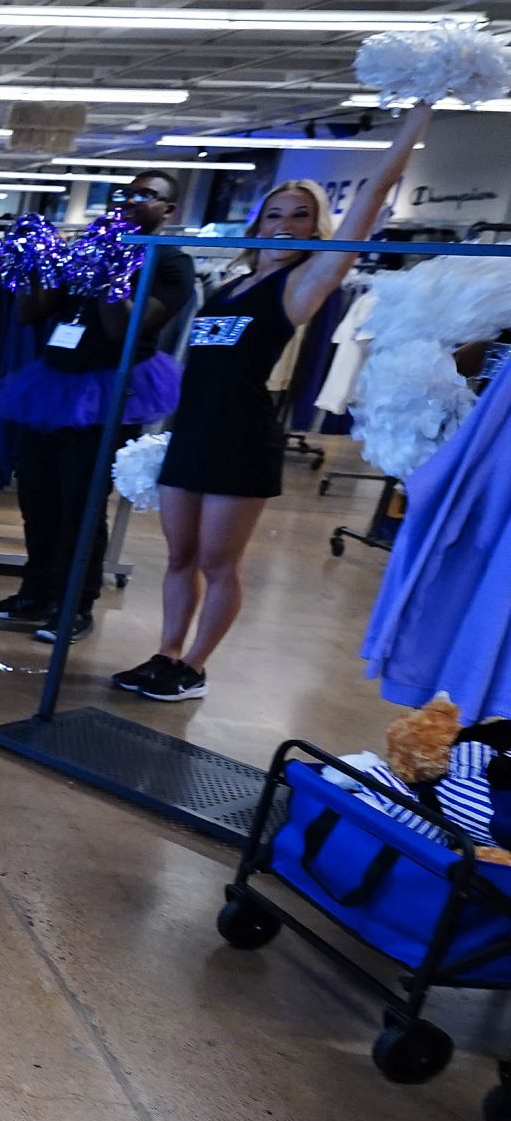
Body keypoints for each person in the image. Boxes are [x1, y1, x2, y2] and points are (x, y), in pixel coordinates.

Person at [116, 104, 434, 703]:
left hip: (242, 437)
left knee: (217, 562)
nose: (285, 224)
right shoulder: (232, 284)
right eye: (275, 213)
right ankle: (165, 654)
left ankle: (196, 667)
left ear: (318, 230)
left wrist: (416, 116)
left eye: (301, 216)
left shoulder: (302, 285)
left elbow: (372, 197)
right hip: (191, 431)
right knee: (179, 555)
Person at [0, 173, 195, 642]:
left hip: (109, 391)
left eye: (146, 196)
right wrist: (29, 264)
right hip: (53, 384)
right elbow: (33, 313)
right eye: (126, 194)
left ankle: (76, 604)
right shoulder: (90, 249)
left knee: (81, 500)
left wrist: (111, 273)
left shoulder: (171, 263)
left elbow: (125, 329)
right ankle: (35, 591)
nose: (132, 202)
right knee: (36, 493)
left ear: (168, 211)